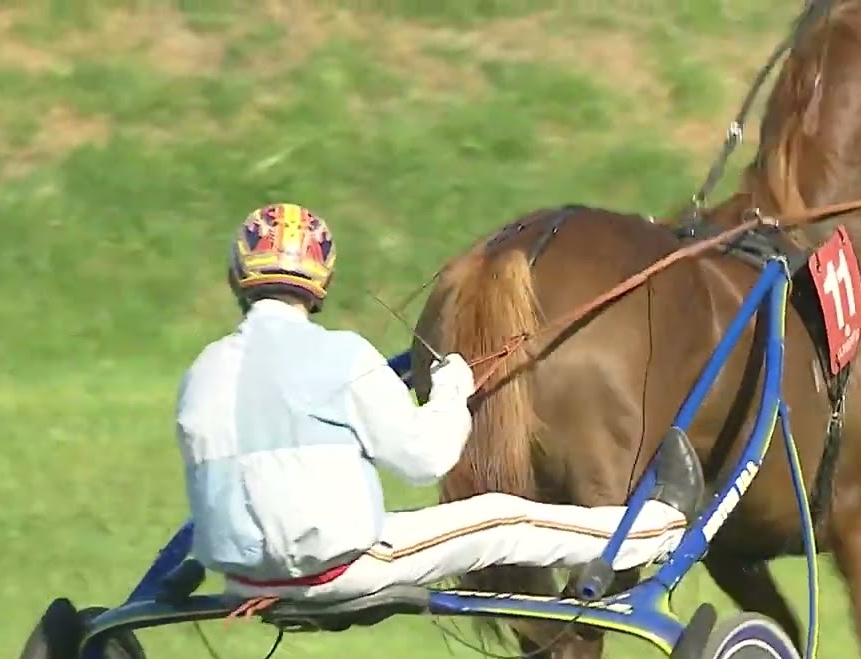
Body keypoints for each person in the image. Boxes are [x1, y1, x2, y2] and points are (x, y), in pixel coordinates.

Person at [174, 202, 707, 603]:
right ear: (321, 280)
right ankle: (656, 527)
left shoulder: (202, 369)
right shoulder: (342, 355)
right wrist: (453, 387)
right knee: (505, 521)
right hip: (342, 569)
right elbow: (425, 458)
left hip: (239, 581)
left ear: (237, 275)